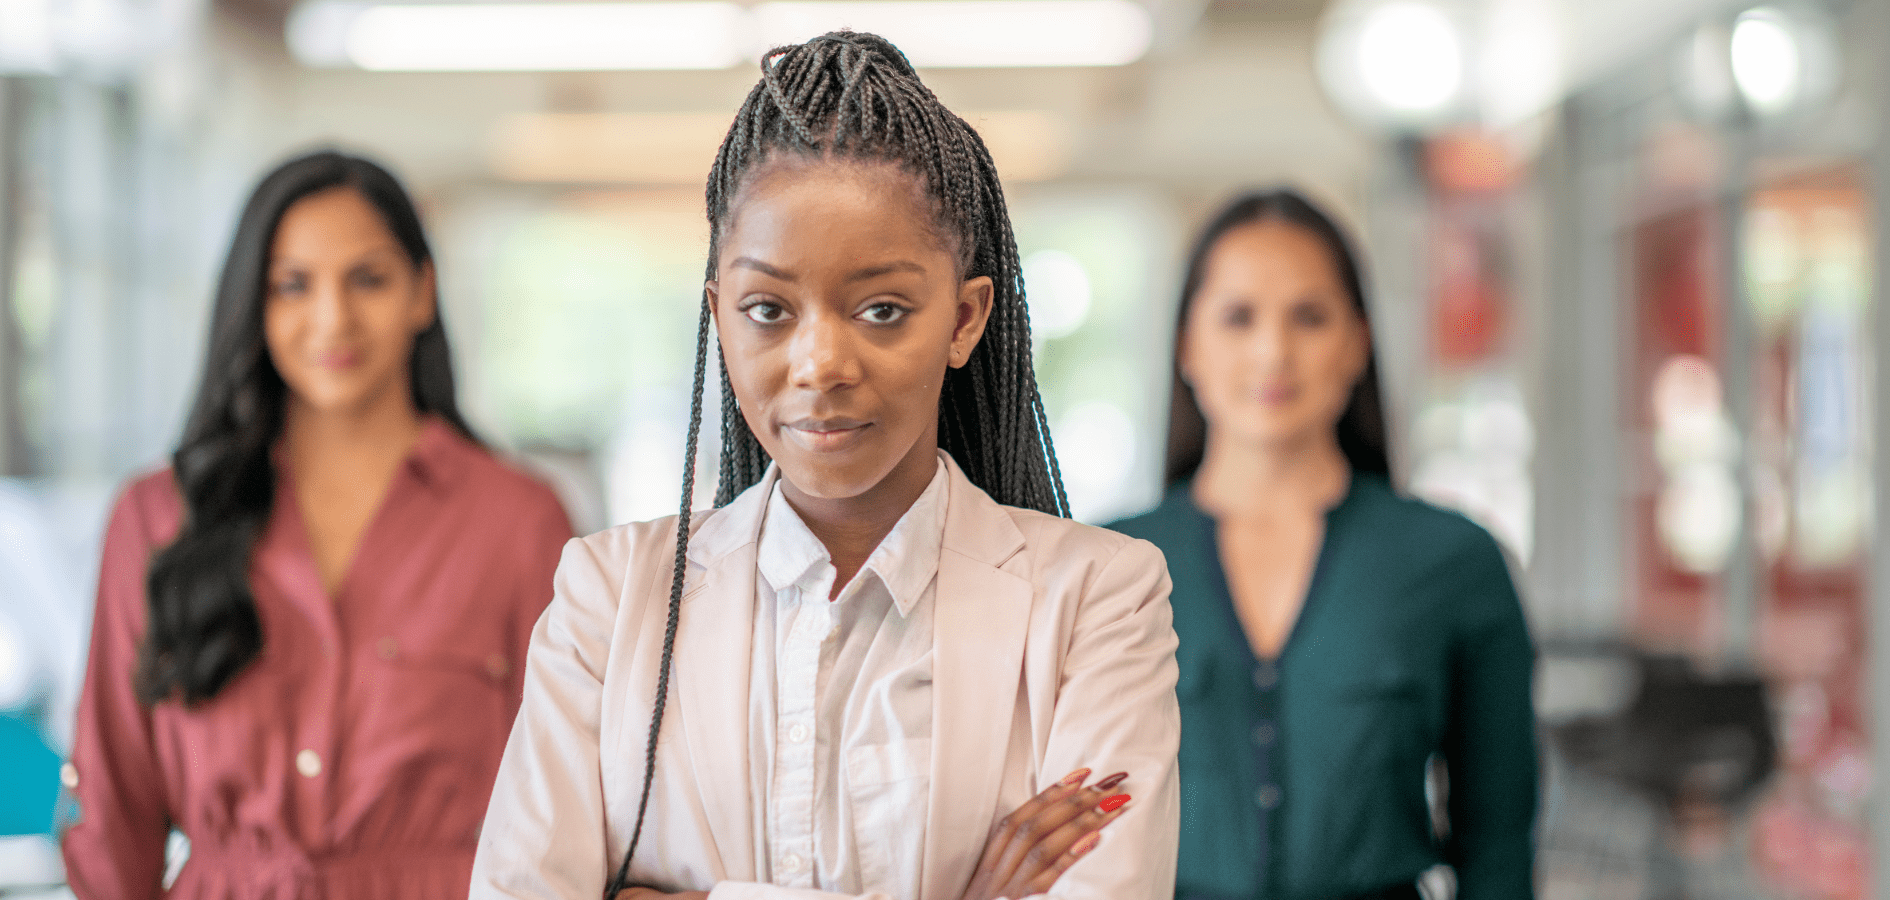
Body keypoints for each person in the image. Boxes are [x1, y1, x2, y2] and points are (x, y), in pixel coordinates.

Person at [470, 31, 1180, 900]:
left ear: (963, 319)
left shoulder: (1098, 599)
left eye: (882, 309)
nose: (820, 364)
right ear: (720, 317)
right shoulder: (610, 599)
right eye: (767, 309)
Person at [61, 151, 573, 900]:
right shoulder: (156, 518)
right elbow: (111, 810)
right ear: (253, 306)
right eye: (292, 285)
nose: (333, 318)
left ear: (422, 292)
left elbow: (568, 804)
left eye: (367, 278)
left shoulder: (520, 523)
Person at [1107, 189, 1537, 900]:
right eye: (1239, 317)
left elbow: (1498, 847)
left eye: (1309, 316)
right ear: (1188, 343)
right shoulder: (1106, 566)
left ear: (1357, 343)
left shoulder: (1455, 563)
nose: (1273, 351)